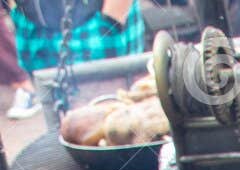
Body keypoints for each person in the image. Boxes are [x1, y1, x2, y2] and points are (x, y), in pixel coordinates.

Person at [8, 0, 145, 117]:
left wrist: (110, 19)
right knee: (63, 124)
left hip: (98, 23)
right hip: (35, 26)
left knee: (116, 115)